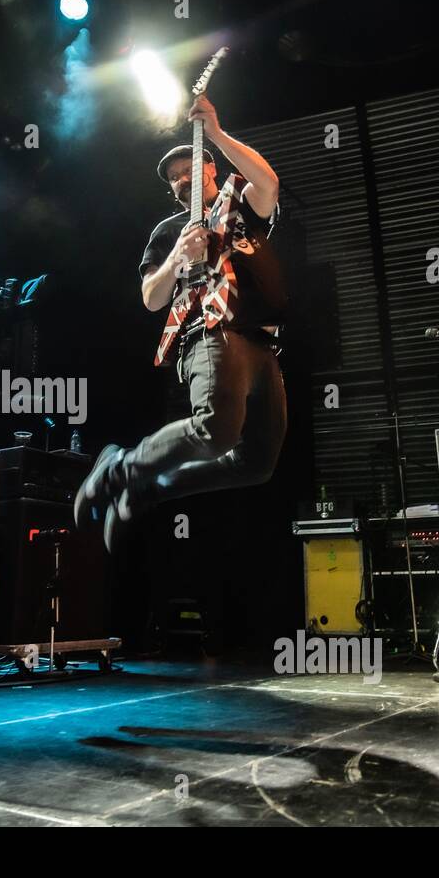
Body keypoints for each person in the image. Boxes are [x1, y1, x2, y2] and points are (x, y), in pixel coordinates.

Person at [74, 94, 288, 552]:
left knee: (256, 464)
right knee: (215, 428)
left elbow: (268, 181)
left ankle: (146, 488)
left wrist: (214, 132)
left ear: (210, 167)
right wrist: (177, 258)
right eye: (172, 178)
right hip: (212, 334)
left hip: (263, 345)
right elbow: (151, 299)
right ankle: (119, 467)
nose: (180, 180)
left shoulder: (241, 206)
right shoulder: (169, 230)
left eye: (187, 168)